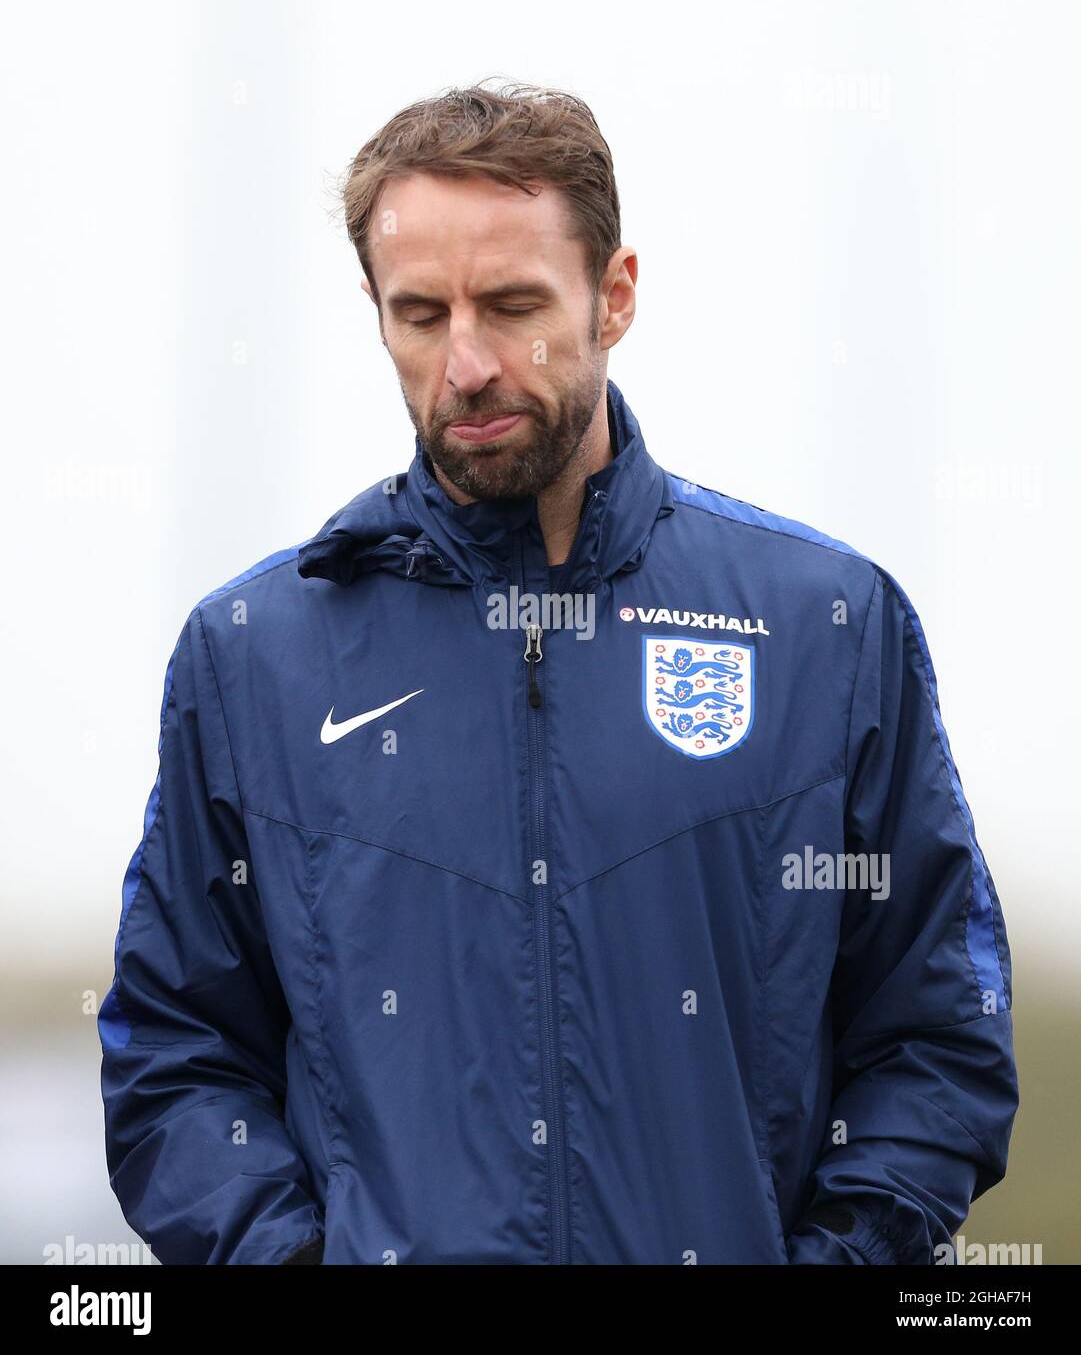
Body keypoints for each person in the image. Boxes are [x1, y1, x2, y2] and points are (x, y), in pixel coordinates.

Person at [98, 81, 1018, 1265]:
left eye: (513, 305)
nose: (466, 363)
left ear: (614, 296)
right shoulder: (253, 655)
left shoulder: (826, 628)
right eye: (419, 314)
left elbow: (937, 1033)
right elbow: (176, 1054)